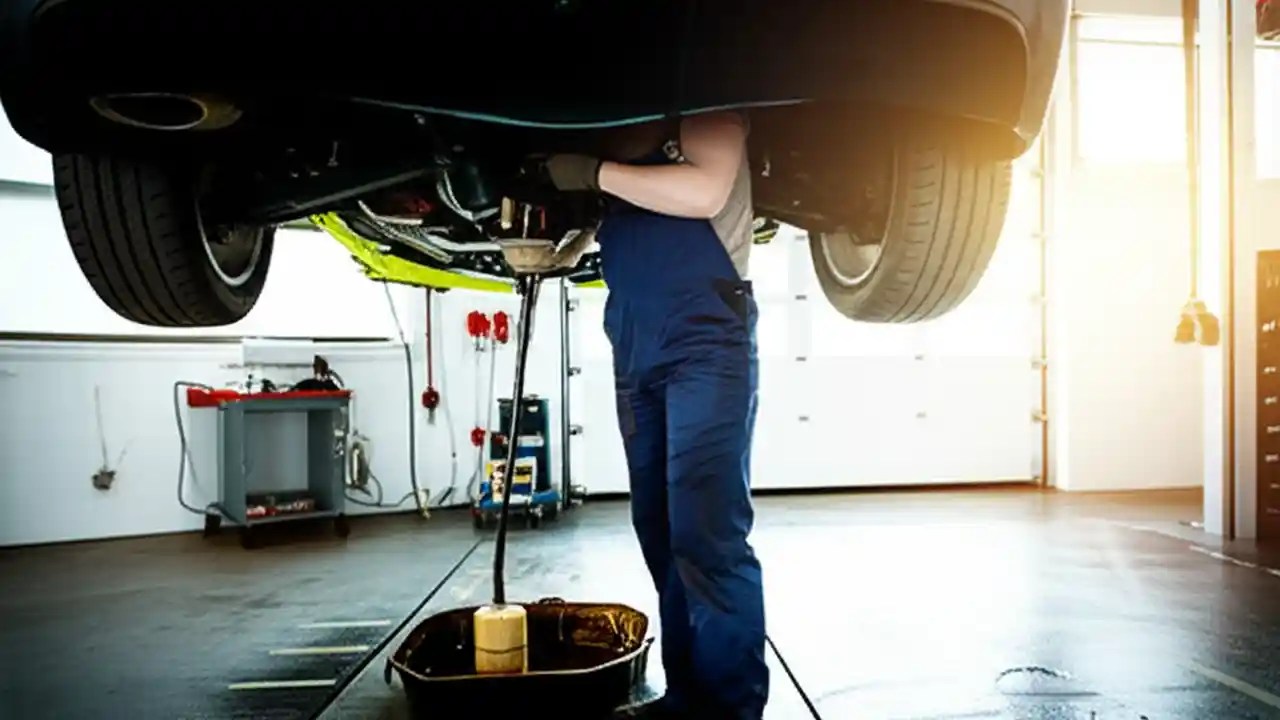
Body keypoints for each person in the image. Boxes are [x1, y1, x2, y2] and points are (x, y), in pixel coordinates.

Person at [544, 111, 768, 720]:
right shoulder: (616, 132)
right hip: (636, 342)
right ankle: (687, 697)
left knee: (707, 535)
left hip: (706, 341)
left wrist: (594, 172)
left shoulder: (707, 96)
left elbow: (705, 190)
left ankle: (730, 709)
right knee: (661, 530)